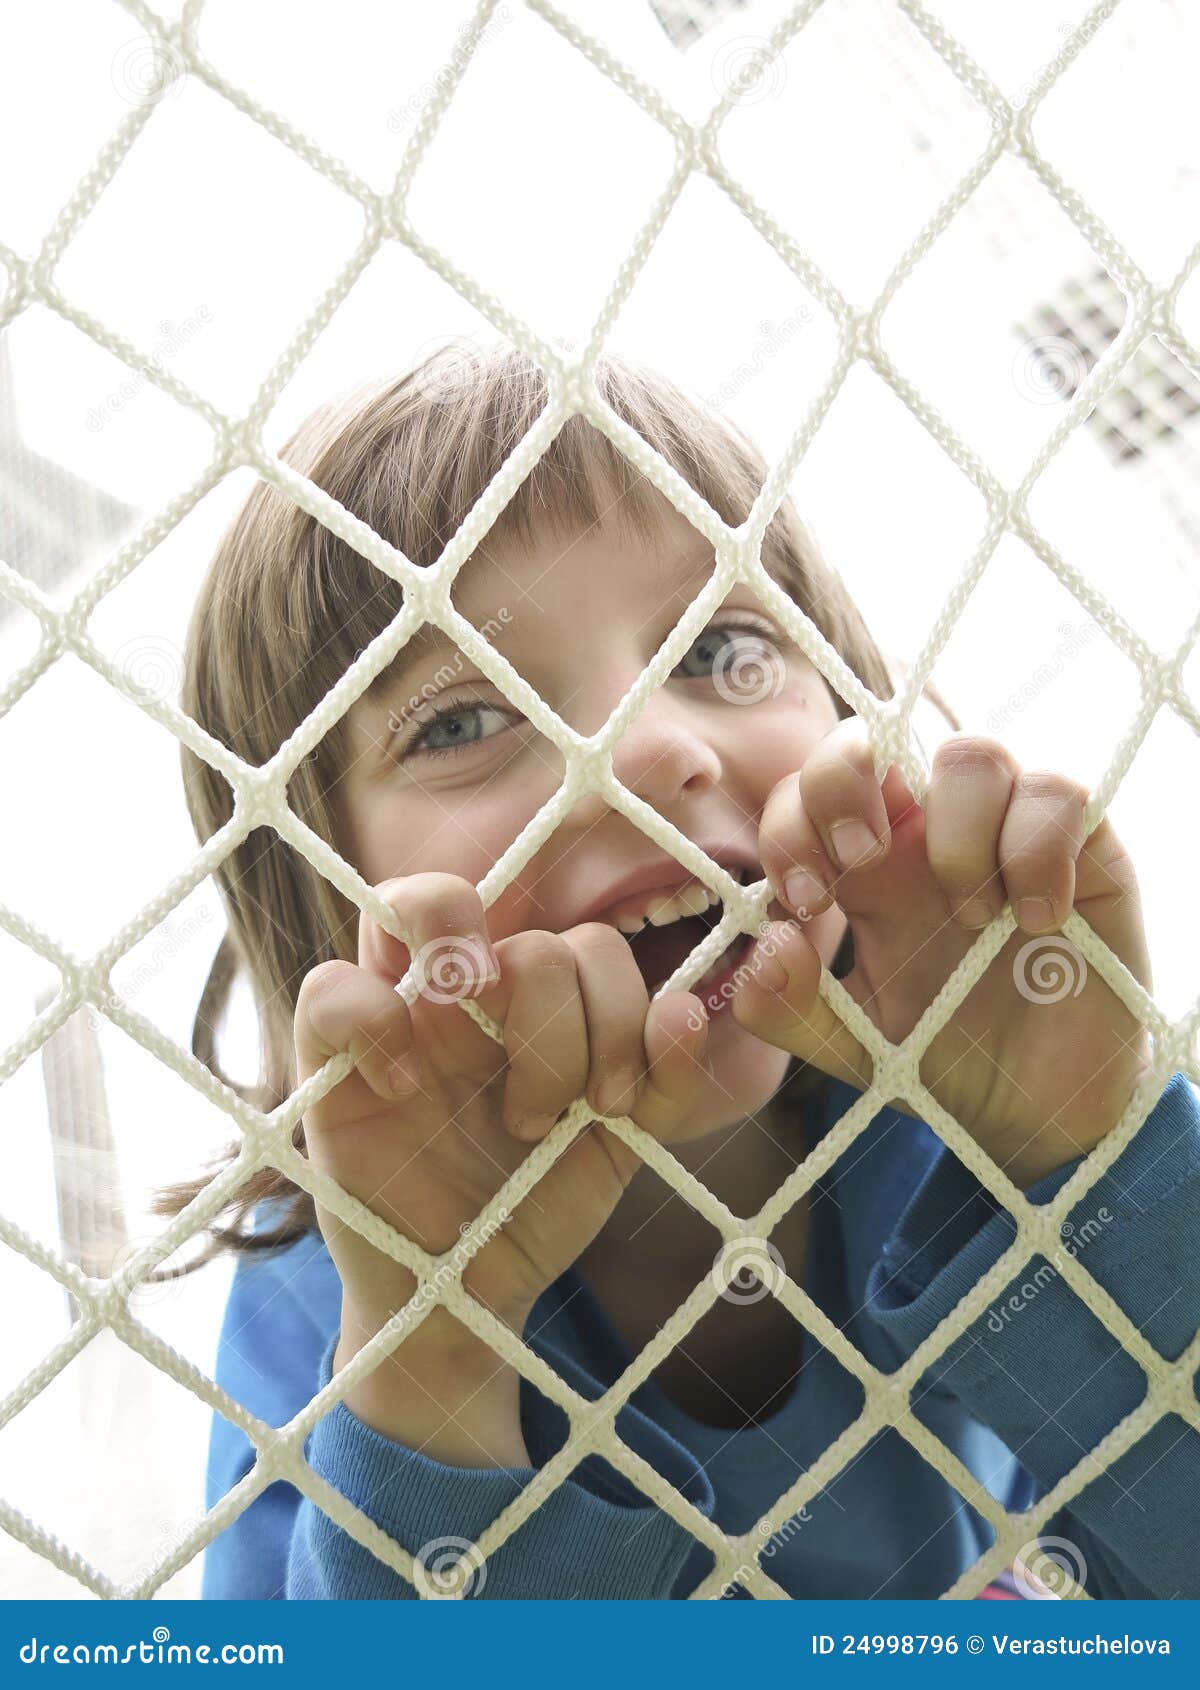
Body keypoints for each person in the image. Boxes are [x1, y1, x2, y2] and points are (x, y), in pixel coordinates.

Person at [155, 343, 1200, 1600]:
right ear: (326, 906)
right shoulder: (339, 1305)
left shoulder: (954, 1095)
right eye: (463, 721)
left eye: (720, 650)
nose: (646, 749)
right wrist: (437, 1360)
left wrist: (1090, 1156)